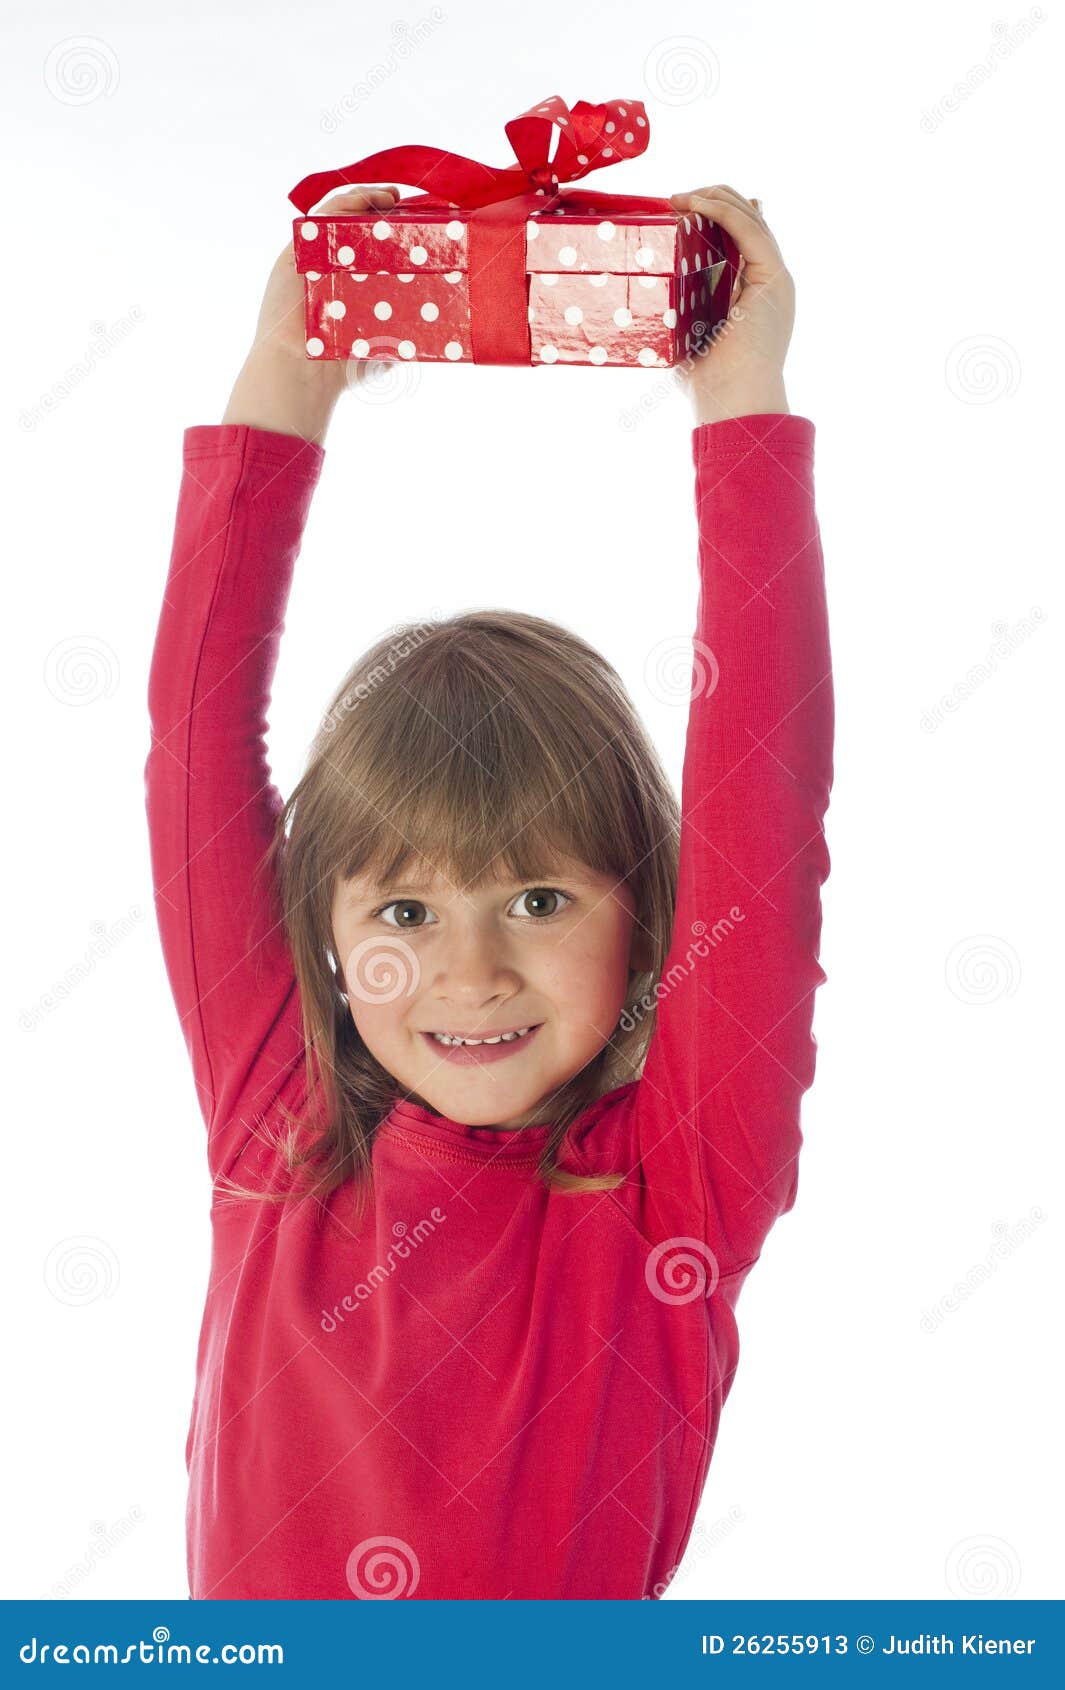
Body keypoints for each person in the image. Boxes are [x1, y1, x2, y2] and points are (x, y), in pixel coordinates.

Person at [144, 181, 834, 1600]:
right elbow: (195, 746)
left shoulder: (673, 1191)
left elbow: (763, 799)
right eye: (403, 912)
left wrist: (740, 400)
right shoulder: (280, 1127)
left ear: (650, 916)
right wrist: (286, 378)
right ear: (321, 938)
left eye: (536, 900)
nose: (468, 971)